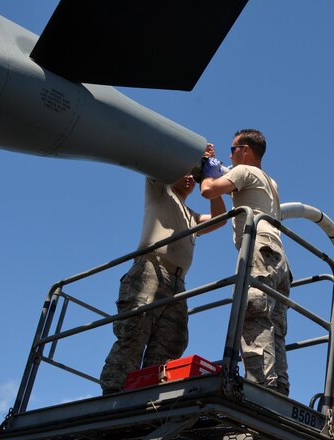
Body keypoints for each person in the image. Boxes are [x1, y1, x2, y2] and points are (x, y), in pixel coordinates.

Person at [100, 146, 226, 394]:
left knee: (171, 343)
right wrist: (194, 155)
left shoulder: (190, 215)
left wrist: (209, 178)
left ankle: (148, 393)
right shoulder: (160, 190)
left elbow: (220, 218)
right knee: (135, 332)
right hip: (150, 270)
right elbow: (160, 162)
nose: (190, 178)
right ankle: (113, 394)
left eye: (194, 176)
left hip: (178, 284)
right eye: (186, 174)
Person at [198, 129, 291, 396]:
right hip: (279, 258)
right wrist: (218, 167)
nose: (230, 154)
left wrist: (205, 168)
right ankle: (278, 387)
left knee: (253, 316)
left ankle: (259, 389)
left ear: (246, 150)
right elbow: (231, 180)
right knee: (274, 327)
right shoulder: (269, 181)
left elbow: (209, 190)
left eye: (233, 149)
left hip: (258, 251)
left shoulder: (244, 172)